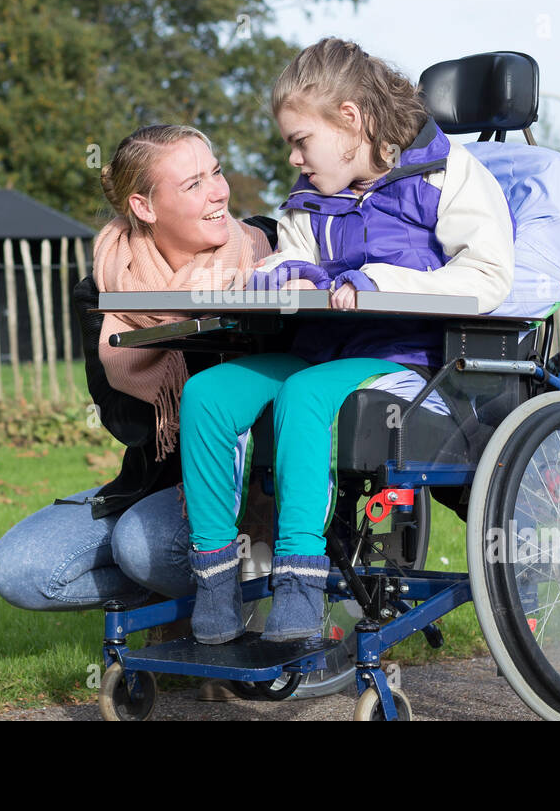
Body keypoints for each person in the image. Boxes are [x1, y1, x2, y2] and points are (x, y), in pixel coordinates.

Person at [178, 37, 517, 644]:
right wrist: (280, 274)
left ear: (350, 120)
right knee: (207, 393)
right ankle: (214, 585)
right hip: (321, 353)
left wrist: (379, 281)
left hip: (411, 367)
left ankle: (300, 584)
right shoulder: (312, 201)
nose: (294, 160)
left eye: (300, 141)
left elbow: (489, 278)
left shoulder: (447, 175)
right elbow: (298, 258)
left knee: (306, 394)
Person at [0, 124, 275, 616]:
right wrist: (172, 327)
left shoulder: (266, 253)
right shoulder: (106, 288)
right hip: (163, 481)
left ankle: (259, 589)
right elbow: (126, 421)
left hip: (263, 480)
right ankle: (188, 598)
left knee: (141, 547)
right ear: (144, 207)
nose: (218, 192)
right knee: (22, 570)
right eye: (193, 184)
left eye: (217, 172)